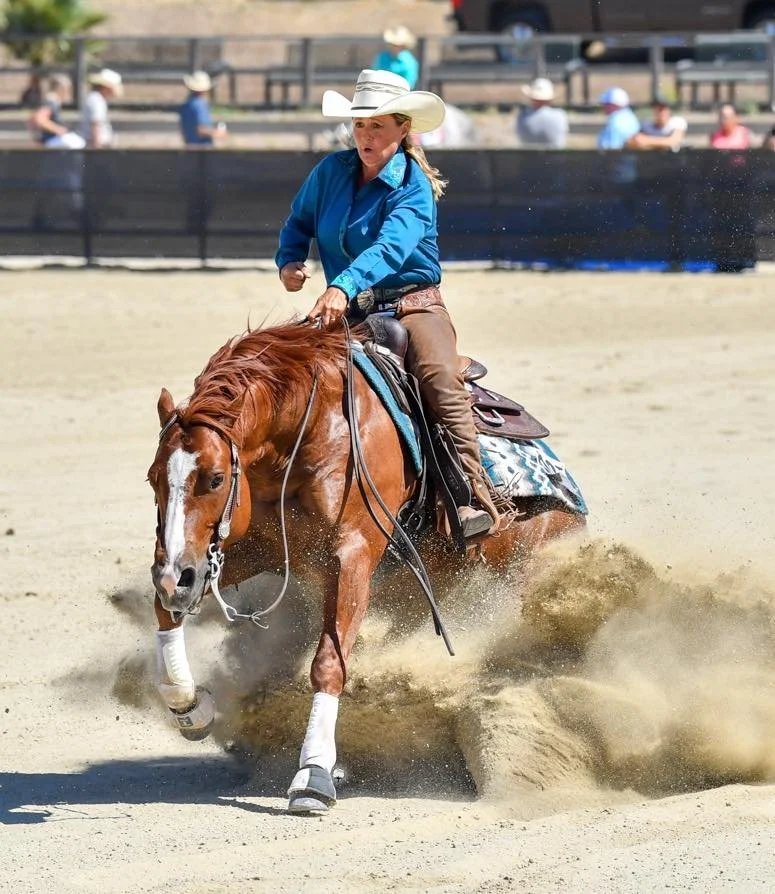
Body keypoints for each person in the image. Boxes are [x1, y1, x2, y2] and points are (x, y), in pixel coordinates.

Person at [276, 69, 499, 539]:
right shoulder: (330, 172)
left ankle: (469, 497)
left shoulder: (413, 186)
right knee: (283, 369)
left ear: (403, 129)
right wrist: (290, 260)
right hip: (348, 311)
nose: (366, 135)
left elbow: (390, 249)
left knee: (439, 379)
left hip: (412, 306)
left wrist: (343, 285)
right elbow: (299, 220)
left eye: (377, 125)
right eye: (360, 125)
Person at [28, 74, 85, 149]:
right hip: (50, 140)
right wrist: (59, 130)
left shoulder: (51, 100)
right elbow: (38, 119)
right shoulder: (51, 100)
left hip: (49, 140)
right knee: (78, 143)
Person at [516, 77, 568, 148]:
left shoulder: (522, 116)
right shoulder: (560, 116)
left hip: (528, 158)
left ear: (532, 98)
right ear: (550, 99)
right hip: (555, 158)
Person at [179, 71, 227, 146]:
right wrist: (217, 133)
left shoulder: (186, 105)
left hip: (189, 146)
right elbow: (201, 130)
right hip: (202, 150)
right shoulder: (200, 105)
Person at [80, 69, 123, 148]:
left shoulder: (97, 98)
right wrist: (97, 146)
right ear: (106, 87)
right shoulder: (96, 100)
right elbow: (95, 123)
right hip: (95, 145)